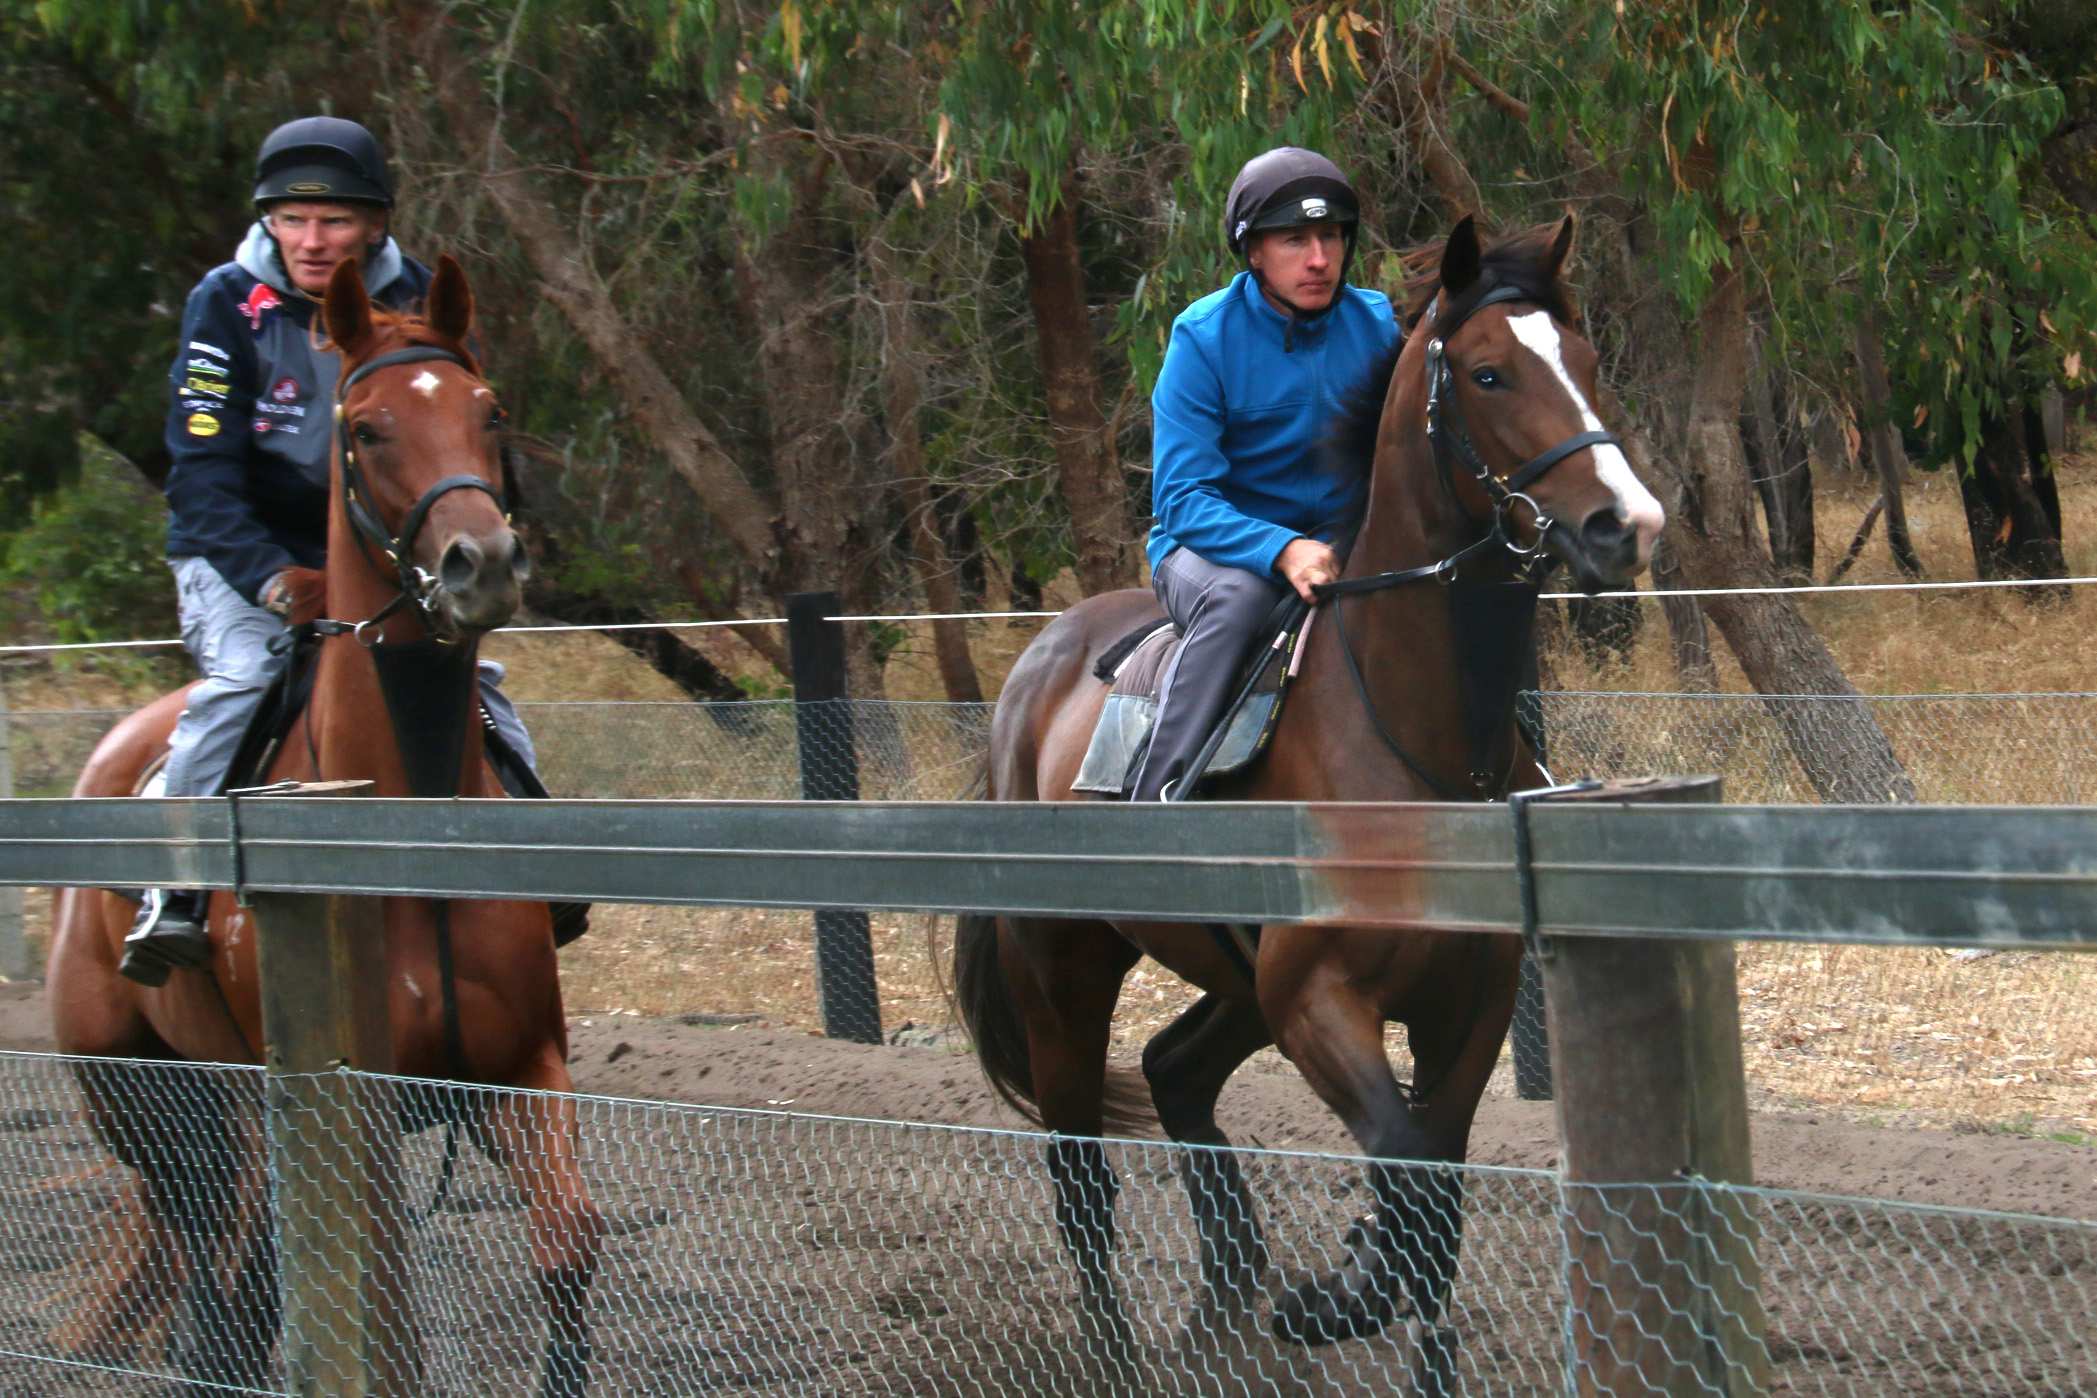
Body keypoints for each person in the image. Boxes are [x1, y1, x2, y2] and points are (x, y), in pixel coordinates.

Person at [124, 115, 550, 984]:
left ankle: (540, 864)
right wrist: (271, 578)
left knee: (485, 694)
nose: (313, 241)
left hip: (383, 557)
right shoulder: (223, 305)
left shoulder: (422, 295)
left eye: (335, 220)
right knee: (244, 682)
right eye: (292, 219)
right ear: (268, 223)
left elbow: (450, 438)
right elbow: (200, 473)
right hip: (247, 558)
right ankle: (176, 892)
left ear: (375, 224)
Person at [1128, 147, 1401, 803]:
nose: (1318, 258)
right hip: (1211, 553)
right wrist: (1280, 548)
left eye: (1330, 236)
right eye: (1293, 240)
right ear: (1252, 252)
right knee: (1239, 600)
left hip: (1342, 544)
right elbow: (1181, 498)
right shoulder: (1202, 337)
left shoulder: (1379, 324)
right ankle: (1153, 801)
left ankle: (1520, 773)